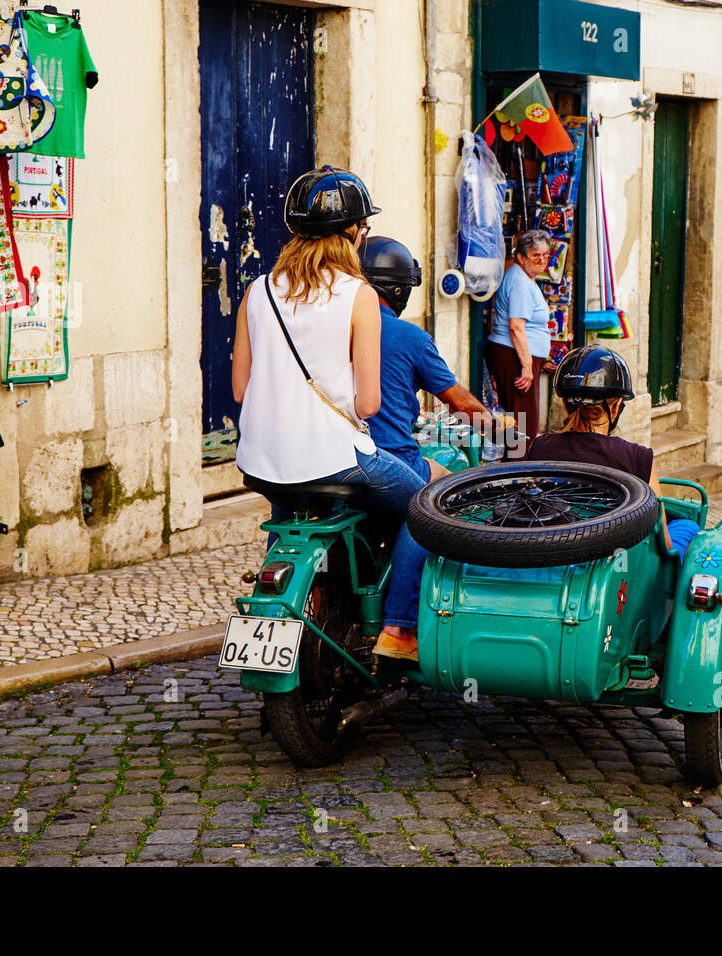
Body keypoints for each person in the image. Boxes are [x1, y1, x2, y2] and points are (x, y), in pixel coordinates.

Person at [231, 165, 424, 663]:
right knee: (425, 508)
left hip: (259, 462)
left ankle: (283, 620)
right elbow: (368, 405)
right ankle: (400, 630)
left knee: (290, 514)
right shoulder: (360, 295)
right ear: (355, 233)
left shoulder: (258, 291)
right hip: (336, 458)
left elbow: (239, 389)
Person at [526, 345, 699, 557]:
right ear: (616, 407)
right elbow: (662, 540)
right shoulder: (638, 457)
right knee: (688, 527)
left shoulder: (540, 446)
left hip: (555, 548)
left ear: (565, 403)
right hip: (615, 557)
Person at [359, 235, 498, 480]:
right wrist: (495, 427)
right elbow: (460, 404)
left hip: (333, 459)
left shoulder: (328, 327)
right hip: (390, 461)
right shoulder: (410, 337)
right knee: (451, 484)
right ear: (399, 290)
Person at [485, 229, 553, 439]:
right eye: (535, 255)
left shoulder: (523, 277)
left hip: (516, 354)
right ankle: (521, 471)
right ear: (522, 257)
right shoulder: (520, 283)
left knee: (520, 421)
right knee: (524, 425)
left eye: (545, 254)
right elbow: (516, 326)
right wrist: (527, 366)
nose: (542, 260)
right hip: (515, 356)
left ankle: (519, 468)